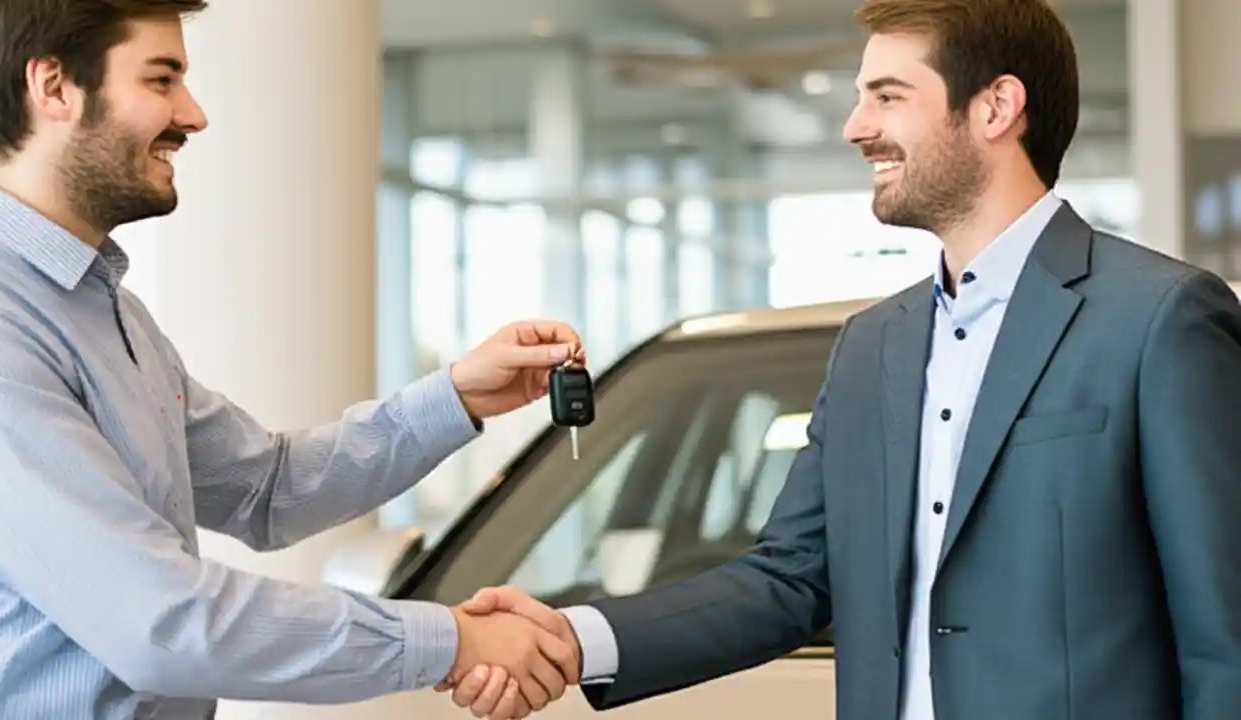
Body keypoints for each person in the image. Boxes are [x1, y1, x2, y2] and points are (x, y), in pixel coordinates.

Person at [442, 0, 1241, 718]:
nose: (856, 126)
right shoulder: (871, 348)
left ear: (997, 106)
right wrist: (577, 639)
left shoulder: (1160, 319)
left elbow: (1226, 639)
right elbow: (789, 578)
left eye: (888, 96)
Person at [0, 1, 581, 718]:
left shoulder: (103, 308)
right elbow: (160, 623)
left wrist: (457, 398)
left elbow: (267, 489)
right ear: (54, 88)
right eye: (162, 80)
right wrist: (451, 640)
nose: (193, 115)